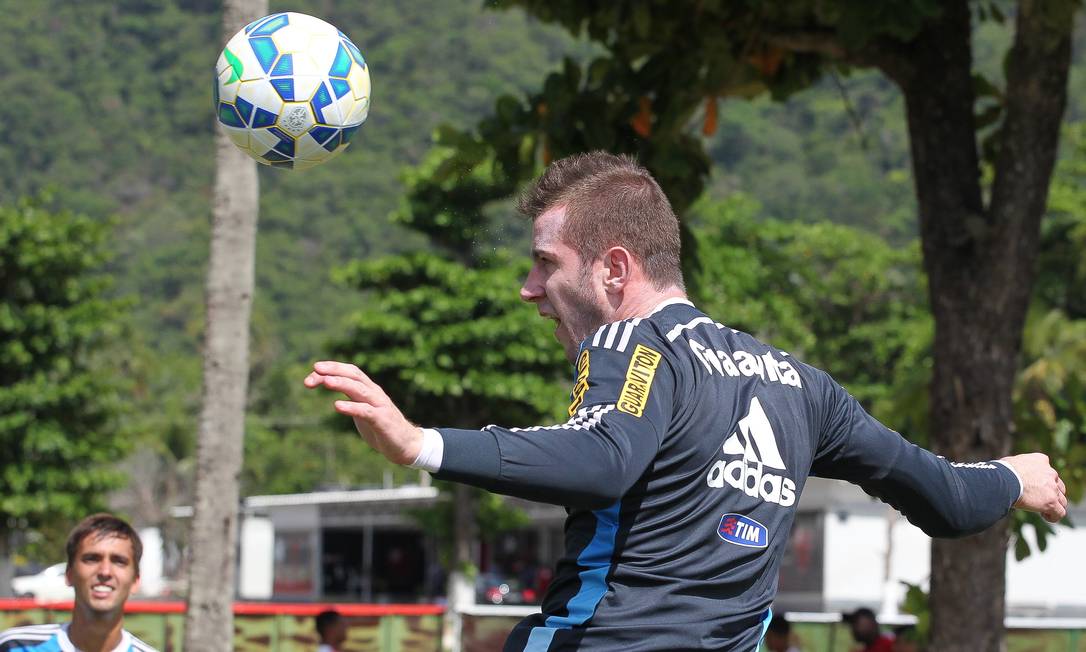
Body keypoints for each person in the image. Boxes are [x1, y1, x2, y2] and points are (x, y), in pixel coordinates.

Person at [305, 152, 1068, 651]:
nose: (529, 289)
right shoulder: (802, 386)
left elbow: (604, 457)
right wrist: (1011, 477)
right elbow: (944, 497)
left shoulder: (635, 346)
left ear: (613, 269)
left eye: (544, 264)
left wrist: (421, 445)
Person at [0, 514, 157, 652]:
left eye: (119, 561)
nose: (105, 571)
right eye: (92, 559)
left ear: (135, 580)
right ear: (69, 574)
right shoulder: (15, 647)